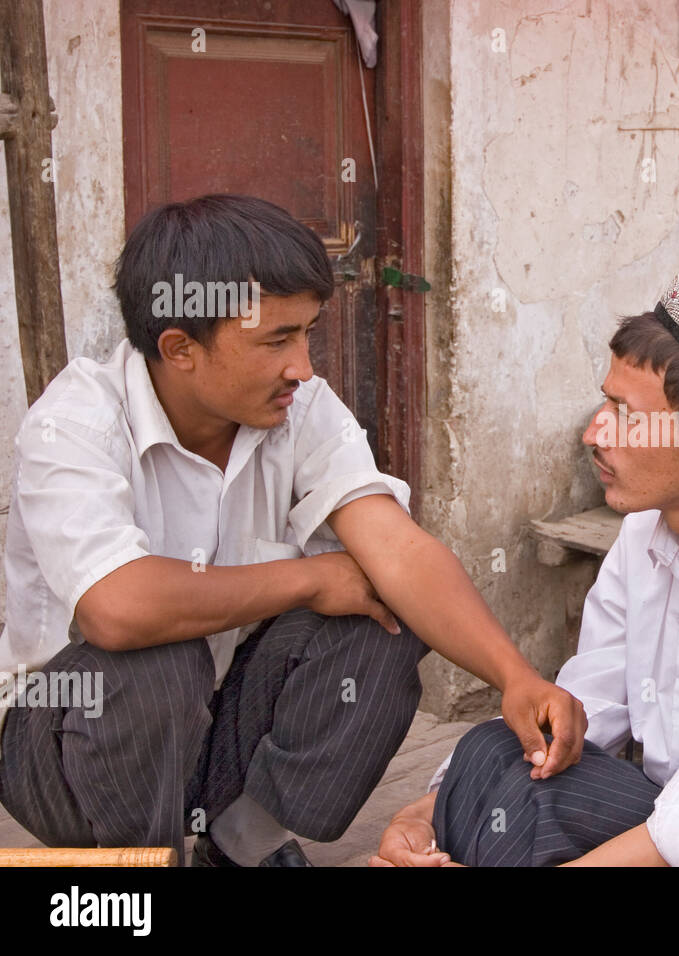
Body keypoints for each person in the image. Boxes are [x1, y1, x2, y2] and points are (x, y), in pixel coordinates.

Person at [0, 194, 585, 866]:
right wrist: (308, 578)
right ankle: (137, 870)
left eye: (306, 333)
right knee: (159, 655)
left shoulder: (299, 407)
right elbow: (117, 609)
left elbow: (398, 550)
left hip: (215, 731)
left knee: (383, 609)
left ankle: (243, 847)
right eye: (277, 340)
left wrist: (516, 678)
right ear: (180, 348)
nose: (302, 366)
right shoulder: (75, 422)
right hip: (68, 750)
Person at [371, 266, 679, 867]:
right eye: (604, 402)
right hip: (665, 809)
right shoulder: (644, 531)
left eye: (625, 413)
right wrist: (426, 817)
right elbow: (588, 701)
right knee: (493, 751)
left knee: (532, 814)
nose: (594, 432)